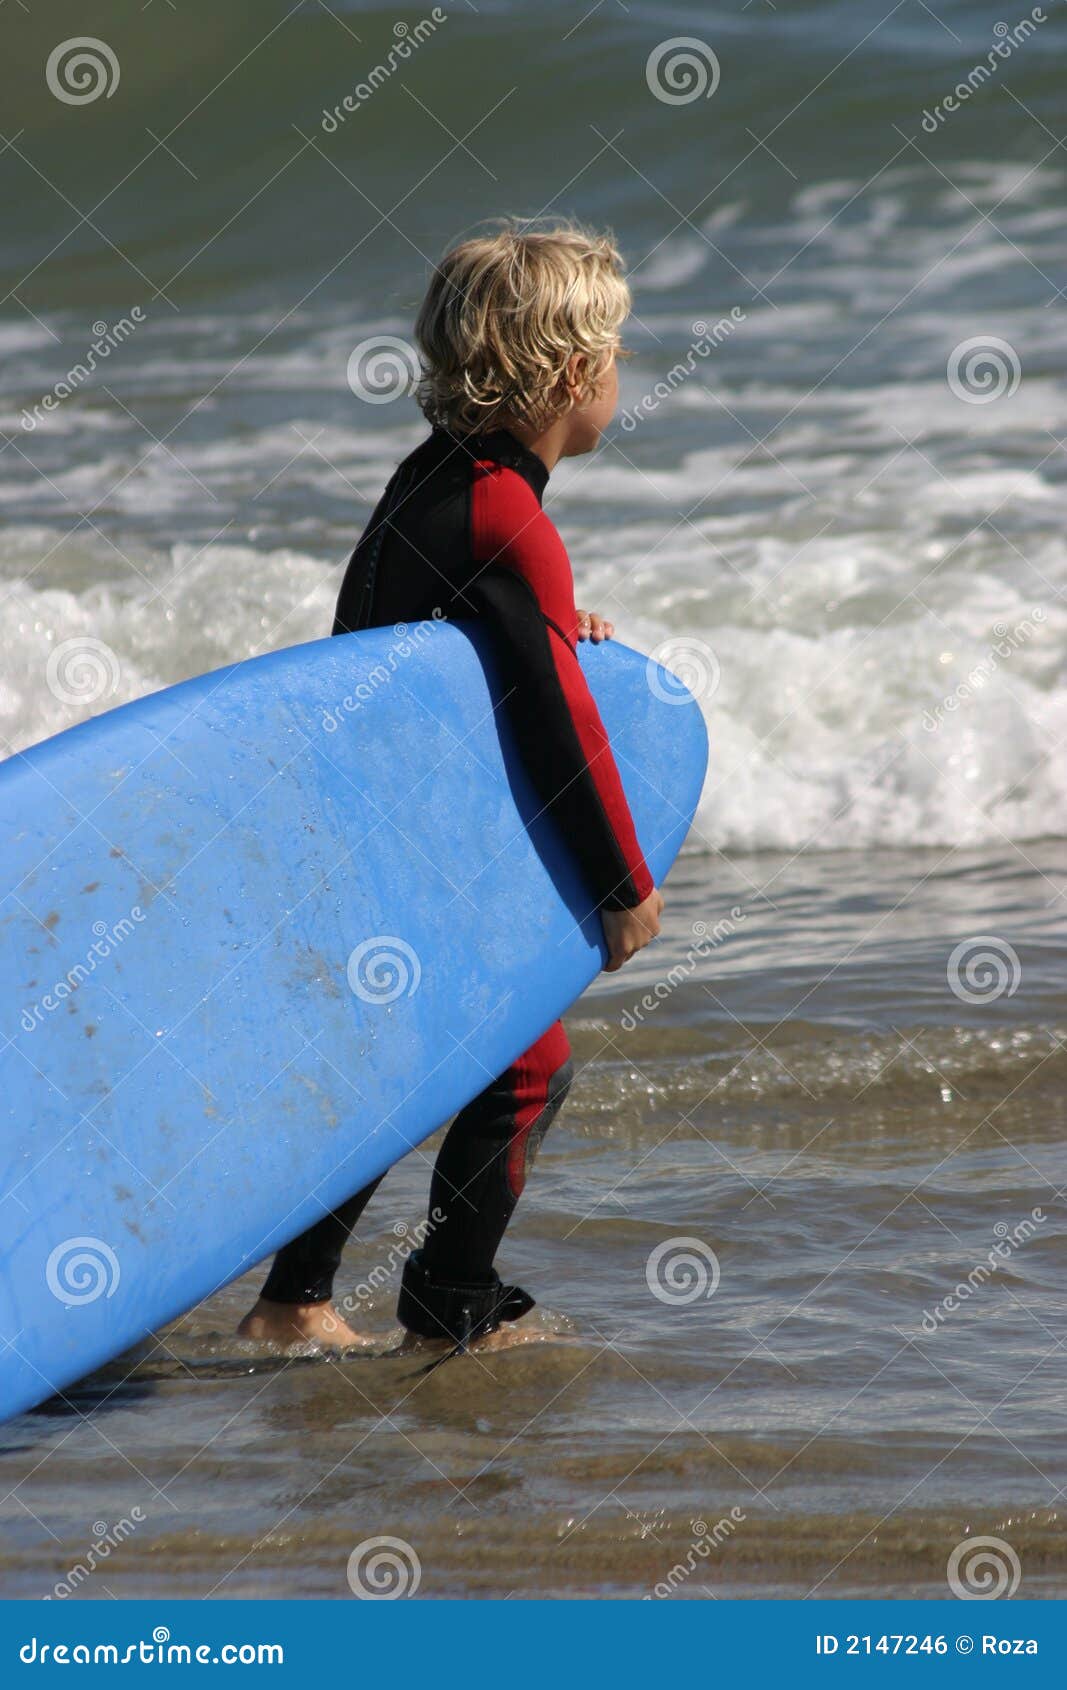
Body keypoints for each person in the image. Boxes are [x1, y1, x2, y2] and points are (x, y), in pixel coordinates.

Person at [239, 222, 664, 1357]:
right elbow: (550, 710)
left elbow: (442, 646)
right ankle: (449, 1307)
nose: (620, 374)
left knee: (402, 1064)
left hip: (370, 830)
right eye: (616, 353)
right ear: (573, 374)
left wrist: (542, 626)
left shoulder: (432, 483)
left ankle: (297, 1300)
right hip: (419, 847)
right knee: (528, 1065)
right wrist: (620, 882)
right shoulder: (508, 516)